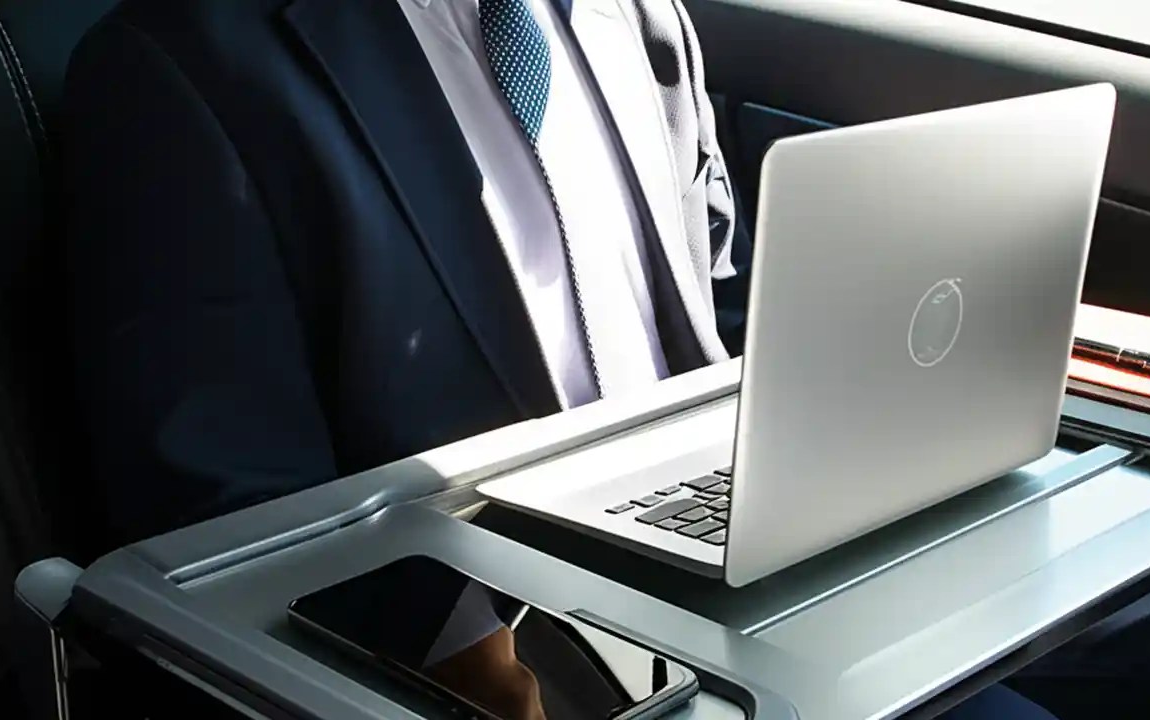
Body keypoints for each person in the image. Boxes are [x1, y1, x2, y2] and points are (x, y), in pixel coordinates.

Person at [60, 0, 1056, 716]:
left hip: (746, 567)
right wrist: (470, 671)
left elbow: (726, 317)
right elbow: (226, 519)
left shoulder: (635, 17)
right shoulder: (178, 65)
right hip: (497, 639)